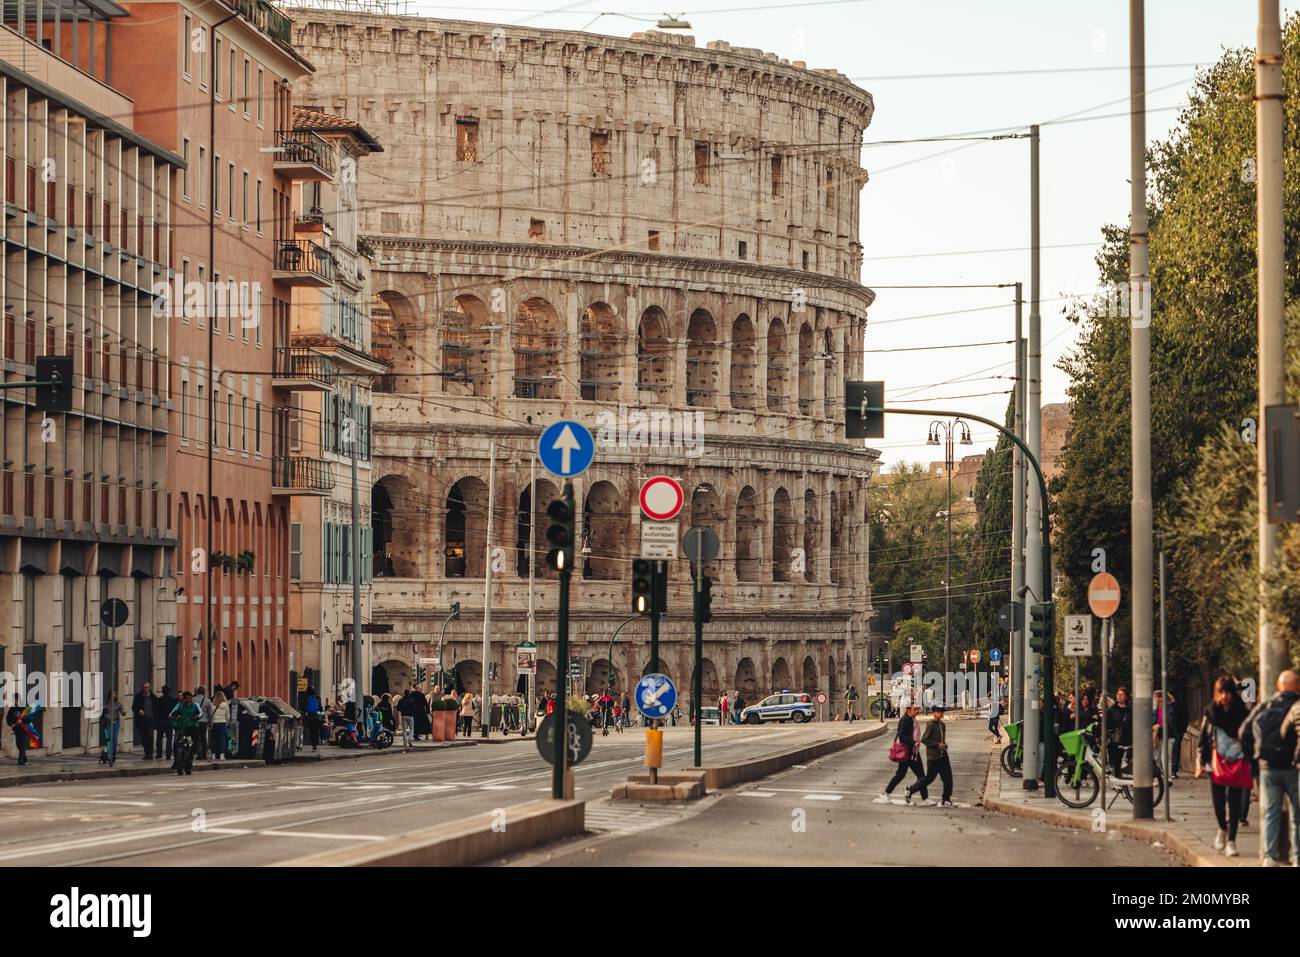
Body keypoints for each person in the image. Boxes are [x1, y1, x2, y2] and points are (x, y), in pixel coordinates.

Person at [1244, 670, 1300, 866]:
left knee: (1271, 813)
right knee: (1296, 813)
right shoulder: (1298, 706)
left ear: (1278, 686)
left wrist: (1254, 761)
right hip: (1294, 767)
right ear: (1297, 686)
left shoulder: (1265, 706)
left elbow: (1244, 732)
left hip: (1268, 767)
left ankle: (1270, 857)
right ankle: (1297, 857)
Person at [1196, 676, 1252, 858]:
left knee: (1234, 803)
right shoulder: (1211, 712)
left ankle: (1231, 841)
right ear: (1216, 693)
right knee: (1218, 803)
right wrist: (1199, 763)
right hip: (1216, 762)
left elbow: (1249, 737)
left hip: (1237, 760)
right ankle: (1222, 828)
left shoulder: (1242, 712)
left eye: (1228, 692)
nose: (1225, 696)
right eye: (1222, 692)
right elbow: (1203, 739)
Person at [876, 702, 927, 804]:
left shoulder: (912, 719)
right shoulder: (905, 720)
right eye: (915, 709)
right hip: (907, 752)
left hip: (912, 751)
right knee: (911, 775)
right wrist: (914, 742)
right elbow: (902, 736)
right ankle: (887, 793)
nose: (917, 711)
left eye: (917, 709)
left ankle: (924, 798)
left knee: (916, 775)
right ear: (908, 710)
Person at [907, 704, 953, 808]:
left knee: (948, 778)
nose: (941, 713)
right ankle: (911, 789)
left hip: (943, 755)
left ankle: (946, 799)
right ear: (934, 712)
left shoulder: (942, 725)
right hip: (933, 756)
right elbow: (924, 739)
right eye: (939, 711)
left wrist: (943, 745)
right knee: (929, 778)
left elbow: (941, 740)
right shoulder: (931, 724)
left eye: (942, 711)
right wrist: (937, 745)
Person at [1105, 686, 1133, 775]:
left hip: (1129, 738)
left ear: (1126, 697)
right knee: (1116, 759)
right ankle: (1117, 777)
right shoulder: (1112, 710)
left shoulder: (1130, 709)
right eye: (1118, 694)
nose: (1119, 696)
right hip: (1116, 739)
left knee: (1129, 759)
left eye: (1121, 695)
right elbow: (1106, 724)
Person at [169, 691, 202, 767]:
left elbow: (200, 713)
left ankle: (193, 755)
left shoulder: (194, 705)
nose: (188, 700)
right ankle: (176, 760)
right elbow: (171, 713)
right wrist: (172, 716)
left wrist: (197, 716)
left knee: (193, 741)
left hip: (191, 727)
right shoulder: (179, 706)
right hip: (181, 727)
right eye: (186, 698)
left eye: (189, 698)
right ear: (184, 699)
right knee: (176, 742)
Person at [131, 682, 156, 760]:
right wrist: (139, 710)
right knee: (143, 737)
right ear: (142, 688)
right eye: (144, 687)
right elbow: (133, 707)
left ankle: (150, 753)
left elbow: (156, 709)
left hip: (150, 720)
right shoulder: (138, 696)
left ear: (150, 688)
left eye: (147, 687)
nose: (146, 689)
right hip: (141, 720)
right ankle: (146, 753)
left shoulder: (153, 697)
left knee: (150, 736)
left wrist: (155, 718)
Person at [1167, 691, 1189, 777]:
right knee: (1176, 751)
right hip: (1178, 731)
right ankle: (1173, 770)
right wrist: (1183, 730)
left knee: (1170, 752)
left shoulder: (1169, 706)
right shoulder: (1182, 704)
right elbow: (1186, 718)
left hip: (1172, 731)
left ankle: (1171, 770)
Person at [101, 691, 125, 765]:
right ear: (110, 695)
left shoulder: (118, 703)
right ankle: (108, 753)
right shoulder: (106, 704)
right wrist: (104, 712)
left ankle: (113, 754)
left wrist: (123, 712)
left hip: (116, 723)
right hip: (108, 722)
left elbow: (122, 711)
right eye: (113, 694)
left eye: (115, 694)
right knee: (109, 739)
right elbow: (103, 713)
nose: (115, 695)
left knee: (114, 738)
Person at [154, 685, 176, 762]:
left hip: (160, 721)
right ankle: (168, 755)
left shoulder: (158, 700)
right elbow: (175, 711)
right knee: (169, 739)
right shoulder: (173, 700)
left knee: (159, 738)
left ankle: (159, 754)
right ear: (169, 692)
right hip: (169, 721)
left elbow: (156, 711)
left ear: (162, 691)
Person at [191, 686, 213, 759]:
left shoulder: (192, 699)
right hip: (204, 721)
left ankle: (197, 753)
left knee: (196, 738)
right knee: (203, 737)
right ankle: (204, 753)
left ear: (197, 692)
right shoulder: (207, 701)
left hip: (195, 721)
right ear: (204, 692)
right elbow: (210, 713)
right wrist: (211, 723)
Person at [210, 691, 230, 760]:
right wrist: (227, 723)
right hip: (222, 723)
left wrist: (210, 723)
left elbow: (211, 716)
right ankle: (222, 755)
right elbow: (228, 716)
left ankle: (213, 755)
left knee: (213, 739)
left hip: (214, 723)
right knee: (222, 739)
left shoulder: (212, 705)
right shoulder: (226, 705)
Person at [303, 686, 323, 751]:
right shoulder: (317, 698)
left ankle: (313, 745)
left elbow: (303, 708)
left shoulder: (306, 698)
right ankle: (315, 745)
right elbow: (321, 708)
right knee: (316, 731)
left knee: (311, 732)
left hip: (310, 717)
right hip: (317, 717)